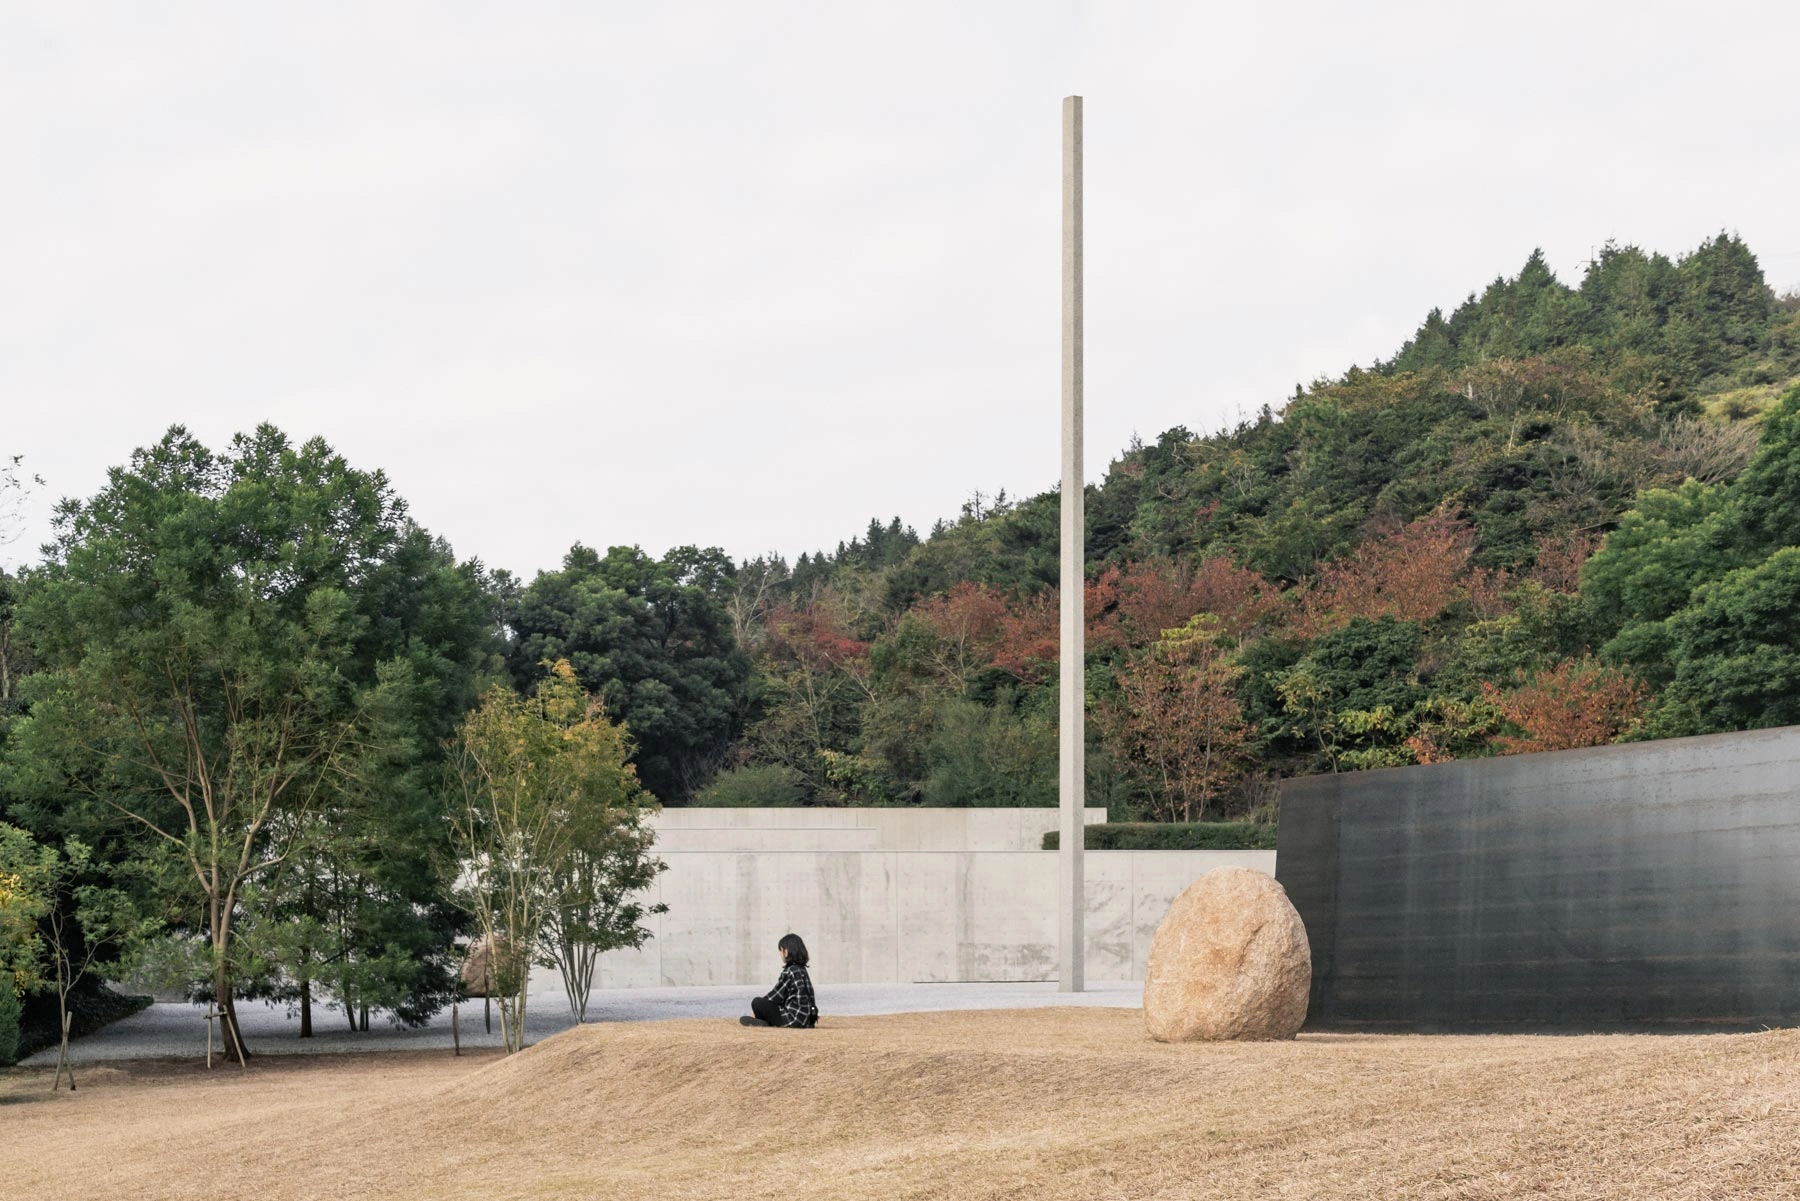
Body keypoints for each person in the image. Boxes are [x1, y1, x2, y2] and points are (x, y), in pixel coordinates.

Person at [740, 932, 818, 1028]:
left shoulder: (790, 971)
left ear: (787, 951)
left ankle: (764, 1021)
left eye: (781, 950)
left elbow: (776, 995)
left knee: (757, 1002)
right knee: (765, 1004)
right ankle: (764, 1021)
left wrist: (758, 1008)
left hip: (794, 1019)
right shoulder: (802, 970)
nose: (780, 954)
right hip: (807, 1021)